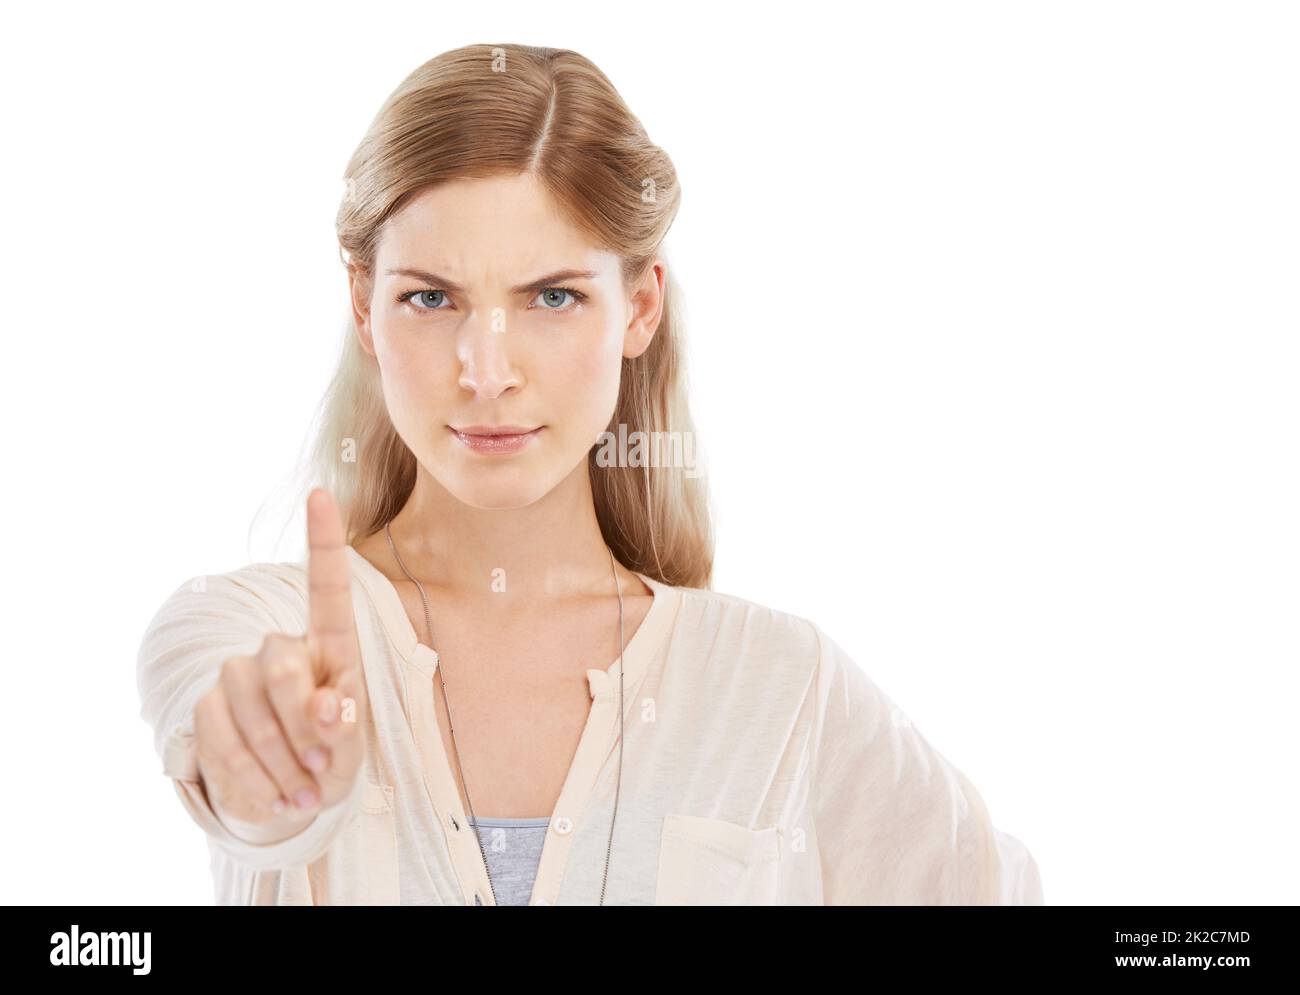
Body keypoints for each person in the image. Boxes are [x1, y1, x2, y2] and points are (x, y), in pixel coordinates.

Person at [136, 43, 1043, 906]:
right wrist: (270, 769)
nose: (487, 370)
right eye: (430, 297)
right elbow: (225, 741)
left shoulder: (775, 683)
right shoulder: (249, 628)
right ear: (365, 309)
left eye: (553, 296)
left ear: (639, 307)